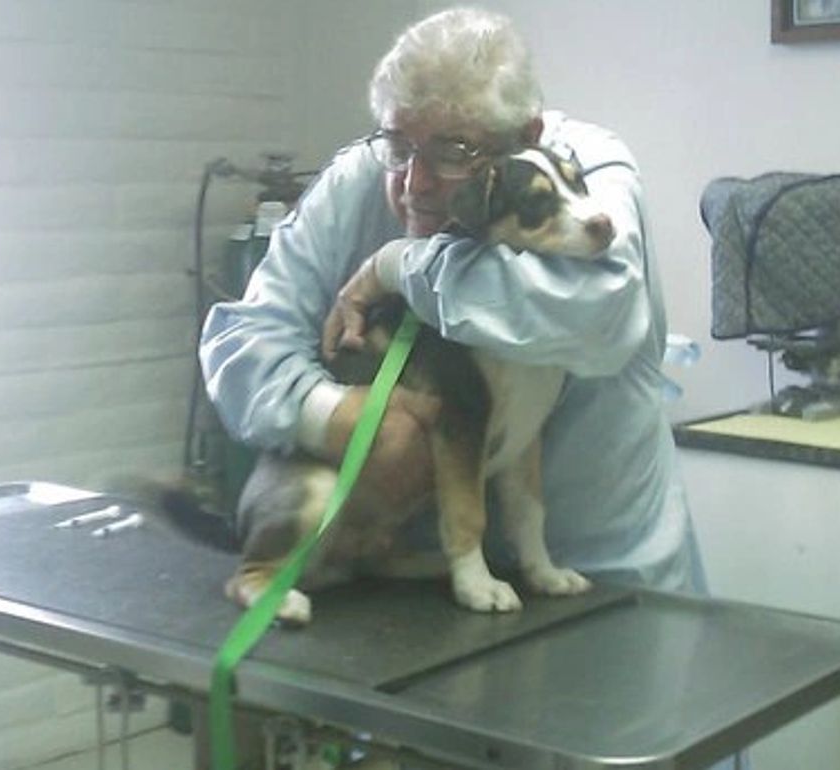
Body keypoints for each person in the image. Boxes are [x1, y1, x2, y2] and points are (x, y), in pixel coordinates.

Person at [200, 10, 745, 768]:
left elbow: (596, 313)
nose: (416, 182)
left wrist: (397, 266)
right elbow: (239, 343)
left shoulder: (589, 171)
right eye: (400, 145)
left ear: (525, 137)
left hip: (604, 586)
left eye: (453, 152)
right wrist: (341, 419)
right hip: (433, 603)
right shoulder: (362, 177)